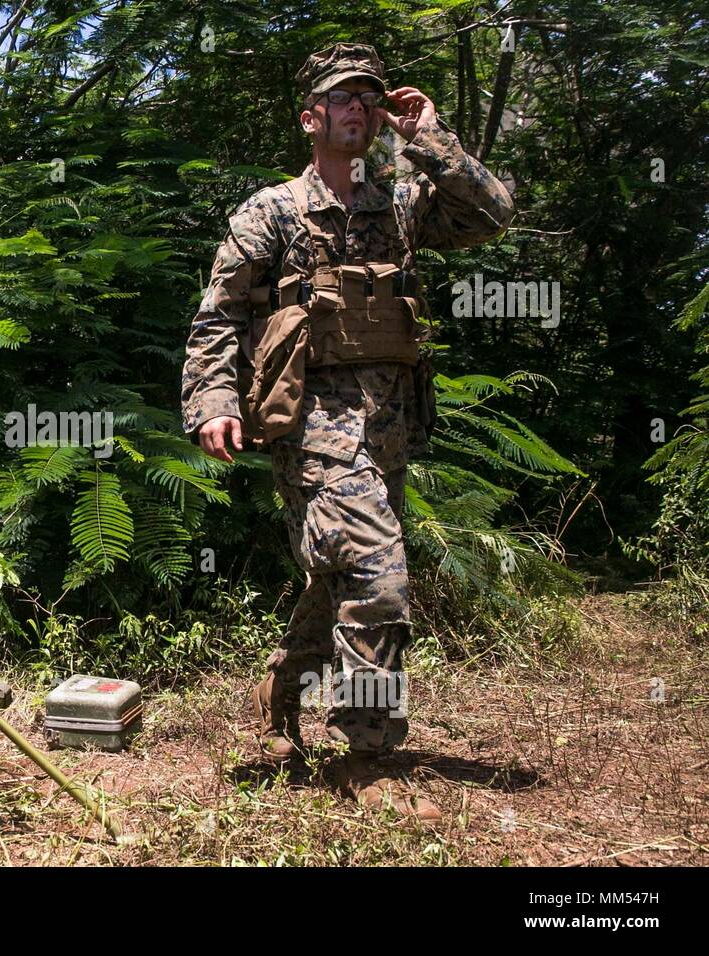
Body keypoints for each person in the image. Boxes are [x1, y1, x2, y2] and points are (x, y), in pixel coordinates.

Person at [180, 42, 514, 821]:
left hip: (388, 424)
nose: (359, 107)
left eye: (370, 96)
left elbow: (494, 214)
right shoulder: (272, 210)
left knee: (339, 573)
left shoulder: (400, 201)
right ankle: (368, 754)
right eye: (342, 97)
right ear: (311, 117)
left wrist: (430, 137)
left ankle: (284, 687)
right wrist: (212, 403)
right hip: (305, 421)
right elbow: (219, 316)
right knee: (377, 574)